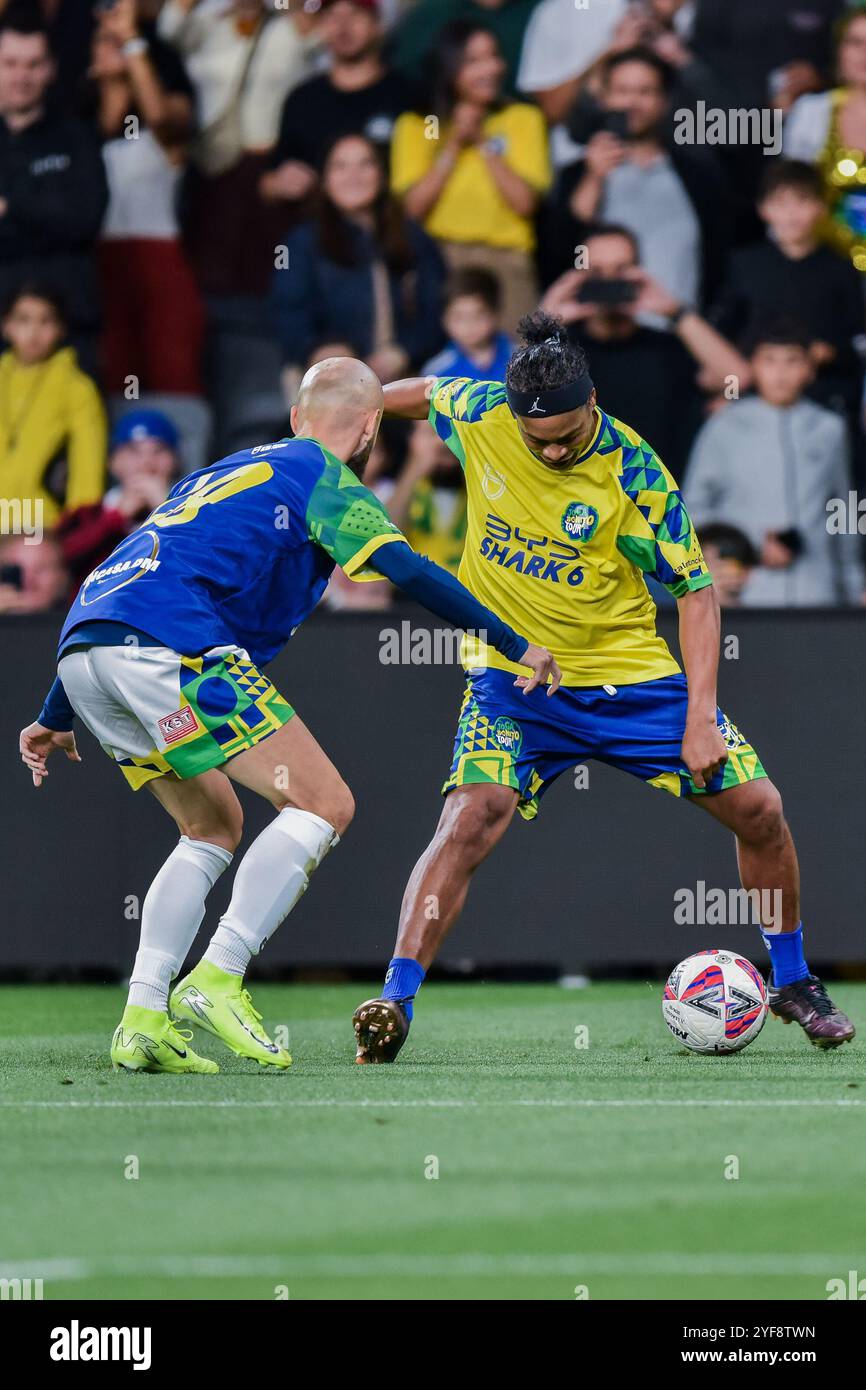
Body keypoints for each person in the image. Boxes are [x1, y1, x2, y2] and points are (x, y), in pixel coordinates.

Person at [19, 356, 559, 1076]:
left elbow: (140, 571)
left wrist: (58, 711)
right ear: (371, 429)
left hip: (86, 652)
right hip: (172, 648)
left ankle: (143, 1016)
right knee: (325, 803)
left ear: (299, 415)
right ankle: (219, 975)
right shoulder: (322, 477)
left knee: (211, 827)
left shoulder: (219, 471)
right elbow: (411, 570)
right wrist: (516, 641)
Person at [350, 312, 855, 1063]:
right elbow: (415, 393)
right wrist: (346, 408)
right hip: (513, 681)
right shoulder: (483, 409)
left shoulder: (635, 472)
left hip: (631, 679)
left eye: (567, 434)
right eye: (538, 438)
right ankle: (394, 1000)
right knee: (468, 818)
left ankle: (792, 979)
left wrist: (702, 718)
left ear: (593, 402)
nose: (552, 449)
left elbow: (695, 591)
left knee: (761, 809)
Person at [539, 223, 748, 481]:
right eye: (597, 271)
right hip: (582, 500)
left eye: (621, 269)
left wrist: (675, 312)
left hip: (657, 500)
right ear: (579, 277)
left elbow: (736, 378)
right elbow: (514, 394)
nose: (609, 281)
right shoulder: (558, 352)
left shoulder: (668, 347)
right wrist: (545, 322)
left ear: (638, 274)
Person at [684, 321, 865, 608]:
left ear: (810, 369)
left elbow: (843, 510)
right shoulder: (725, 424)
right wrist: (752, 542)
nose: (780, 373)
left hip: (818, 591)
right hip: (745, 590)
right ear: (752, 366)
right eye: (769, 360)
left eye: (793, 361)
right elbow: (691, 510)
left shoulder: (830, 428)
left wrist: (856, 587)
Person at [391, 19, 551, 332]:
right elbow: (413, 207)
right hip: (441, 261)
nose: (491, 68)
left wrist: (482, 141)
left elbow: (524, 203)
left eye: (494, 56)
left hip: (509, 264)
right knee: (443, 374)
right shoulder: (416, 124)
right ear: (448, 66)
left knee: (520, 371)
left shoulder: (523, 118)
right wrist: (453, 145)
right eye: (474, 61)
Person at [551, 46, 727, 310]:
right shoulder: (577, 173)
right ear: (604, 98)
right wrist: (593, 177)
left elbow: (721, 255)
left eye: (645, 92)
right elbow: (561, 247)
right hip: (599, 337)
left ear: (664, 100)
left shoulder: (698, 176)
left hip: (680, 336)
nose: (632, 102)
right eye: (622, 91)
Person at [88, 0, 205, 398]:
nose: (116, 44)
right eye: (106, 39)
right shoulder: (74, 129)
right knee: (116, 383)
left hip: (159, 266)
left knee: (174, 375)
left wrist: (134, 40)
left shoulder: (159, 131)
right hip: (99, 268)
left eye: (124, 40)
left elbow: (158, 116)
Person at [270, 132, 445, 381]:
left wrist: (405, 351)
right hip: (326, 375)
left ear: (382, 174)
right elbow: (286, 313)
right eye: (340, 166)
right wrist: (319, 350)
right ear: (324, 179)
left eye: (366, 164)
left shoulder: (411, 235)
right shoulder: (298, 243)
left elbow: (438, 306)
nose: (354, 176)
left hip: (407, 374)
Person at [711, 160, 864, 422]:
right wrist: (730, 393)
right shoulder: (745, 265)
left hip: (823, 394)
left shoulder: (841, 269)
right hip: (753, 389)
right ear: (763, 209)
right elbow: (724, 334)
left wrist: (829, 352)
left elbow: (856, 338)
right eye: (781, 202)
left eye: (802, 201)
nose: (792, 214)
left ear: (820, 207)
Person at [0, 12, 108, 372]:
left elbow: (85, 218)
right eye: (10, 63)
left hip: (69, 327)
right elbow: (63, 220)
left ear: (50, 69)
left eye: (33, 64)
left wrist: (12, 210)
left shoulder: (76, 137)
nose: (22, 76)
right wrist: (44, 216)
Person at [261, 0, 413, 212]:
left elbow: (432, 146)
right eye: (331, 16)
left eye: (355, 14)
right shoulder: (301, 99)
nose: (343, 26)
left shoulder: (409, 94)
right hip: (317, 232)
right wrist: (280, 184)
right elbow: (268, 182)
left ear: (378, 24)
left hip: (393, 230)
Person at [0, 283, 106, 528]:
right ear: (6, 326)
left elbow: (87, 468)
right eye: (23, 320)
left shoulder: (76, 387)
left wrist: (79, 528)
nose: (34, 333)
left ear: (60, 329)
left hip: (39, 527)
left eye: (45, 321)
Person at [56, 408, 180, 596]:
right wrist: (116, 518)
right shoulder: (86, 515)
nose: (147, 463)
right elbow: (59, 562)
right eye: (134, 452)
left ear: (175, 461)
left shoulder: (195, 511)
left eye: (159, 451)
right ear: (113, 462)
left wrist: (167, 511)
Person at [784, 5, 866, 271]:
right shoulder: (811, 112)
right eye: (855, 42)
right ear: (840, 50)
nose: (864, 53)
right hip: (823, 272)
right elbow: (788, 196)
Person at [389, 0, 539, 97]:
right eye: (471, 60)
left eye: (494, 56)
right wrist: (453, 141)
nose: (491, 68)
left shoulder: (541, 8)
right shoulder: (431, 14)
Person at [422, 267, 512, 381]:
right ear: (445, 320)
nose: (469, 325)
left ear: (495, 314)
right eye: (459, 318)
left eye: (478, 316)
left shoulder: (520, 359)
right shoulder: (436, 372)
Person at [0, 530, 68, 614]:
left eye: (41, 569)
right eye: (16, 570)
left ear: (62, 577)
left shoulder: (82, 624)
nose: (28, 578)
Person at [697, 522, 759, 608]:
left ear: (745, 573)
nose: (712, 574)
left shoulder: (765, 620)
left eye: (721, 566)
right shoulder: (675, 618)